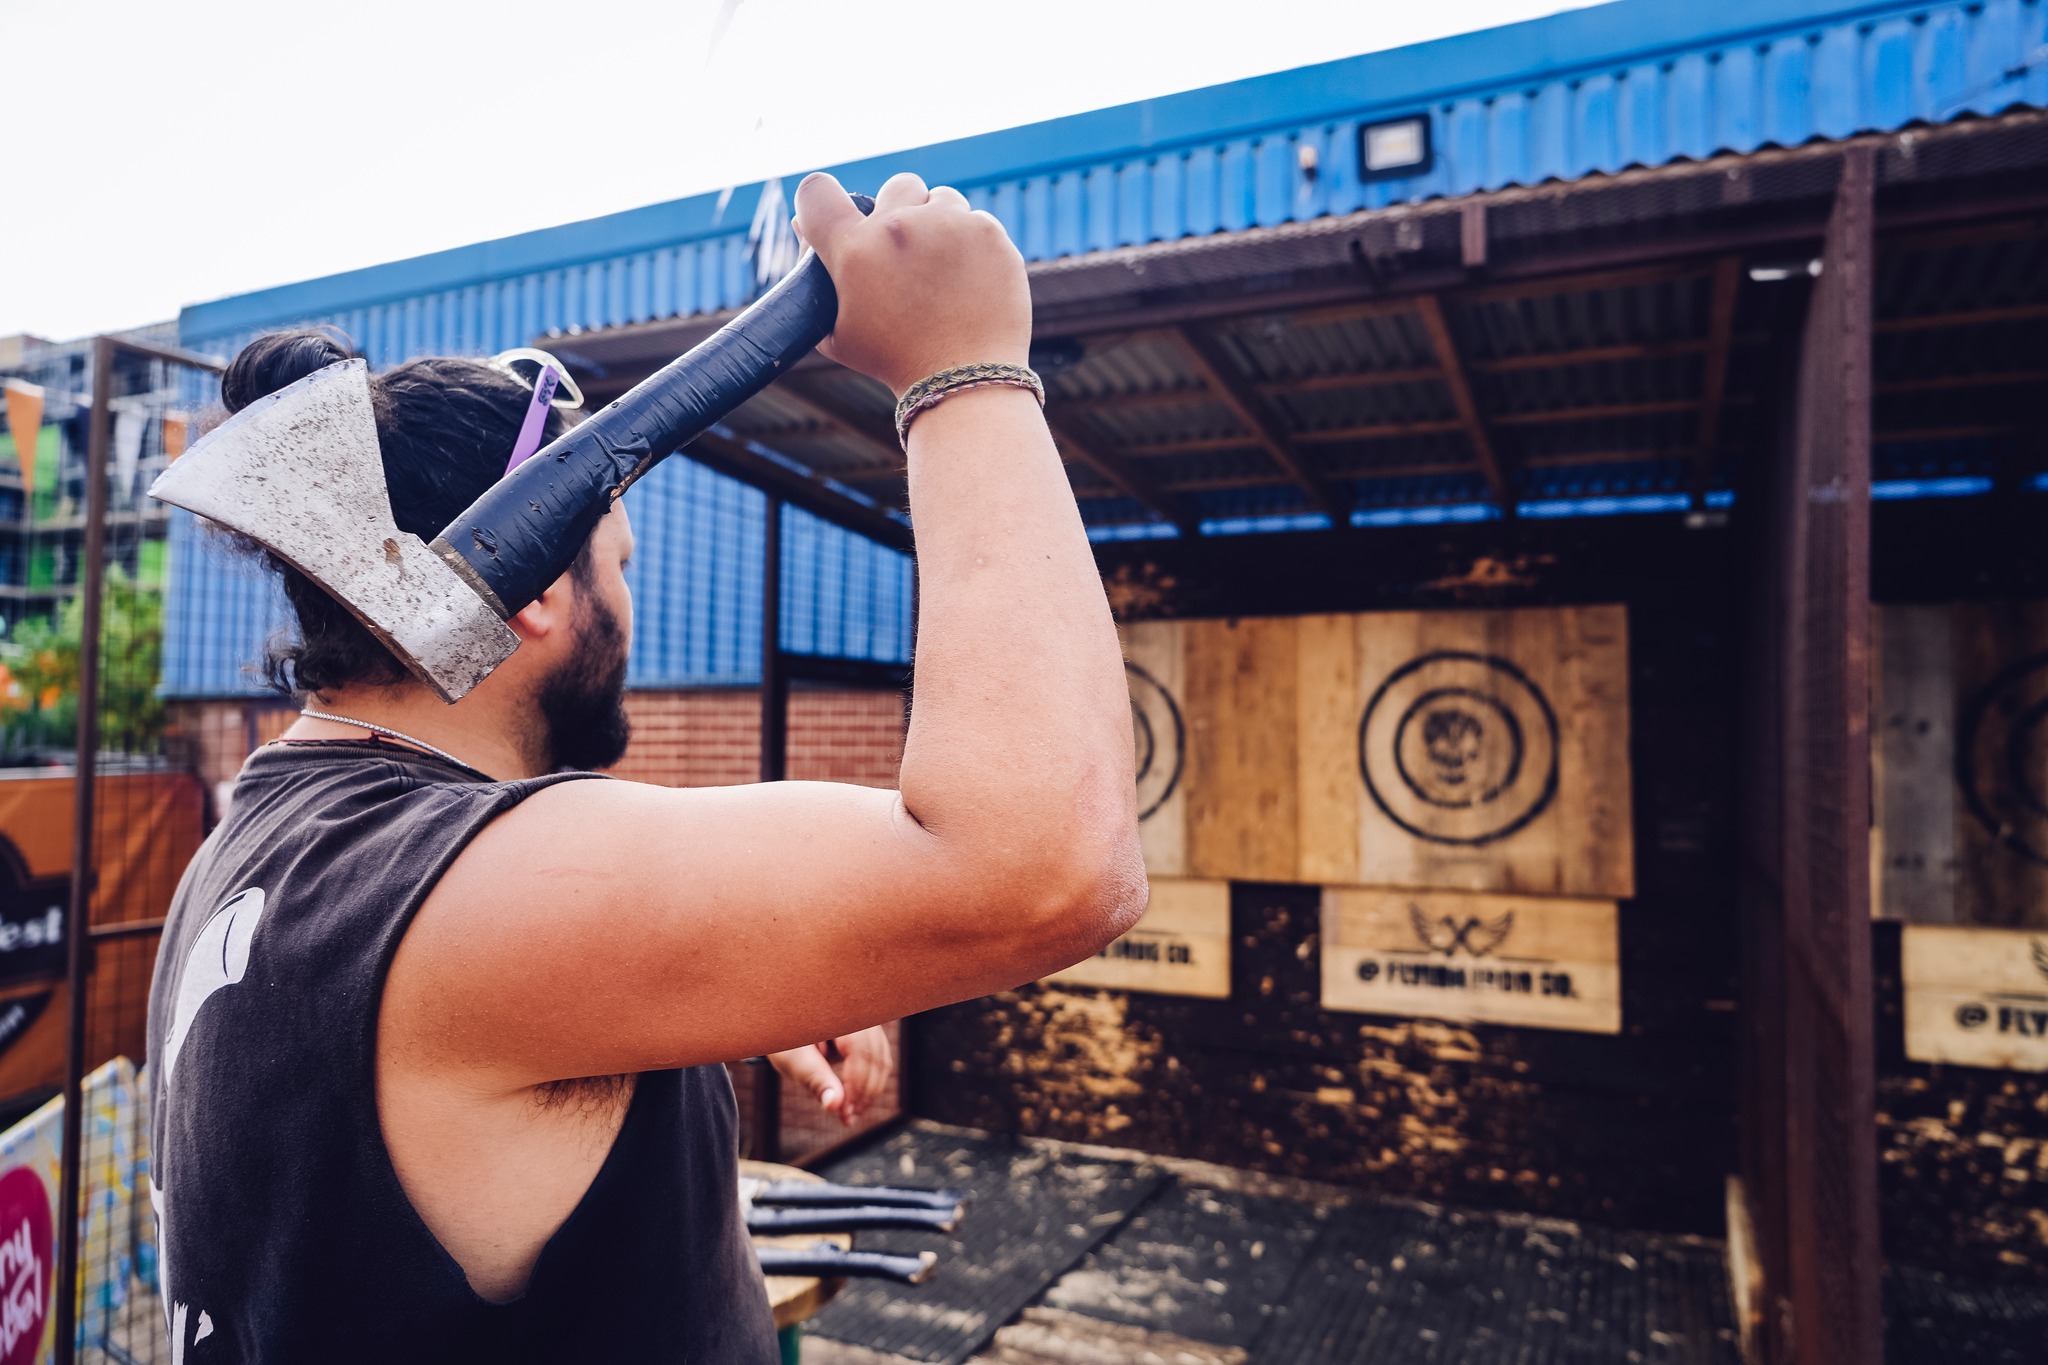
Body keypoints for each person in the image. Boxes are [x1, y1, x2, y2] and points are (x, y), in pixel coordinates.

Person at [144, 171, 1145, 1363]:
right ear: (532, 592)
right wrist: (965, 371)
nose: (630, 603)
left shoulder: (261, 850)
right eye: (615, 565)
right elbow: (1047, 866)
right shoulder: (469, 900)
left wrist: (683, 996)